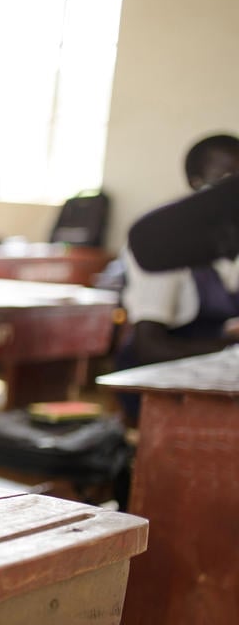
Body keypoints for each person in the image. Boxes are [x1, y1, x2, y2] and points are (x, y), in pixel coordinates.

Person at [117, 134, 239, 418]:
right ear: (197, 183)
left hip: (204, 379)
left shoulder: (228, 242)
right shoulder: (164, 243)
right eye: (228, 179)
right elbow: (149, 347)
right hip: (156, 388)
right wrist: (230, 349)